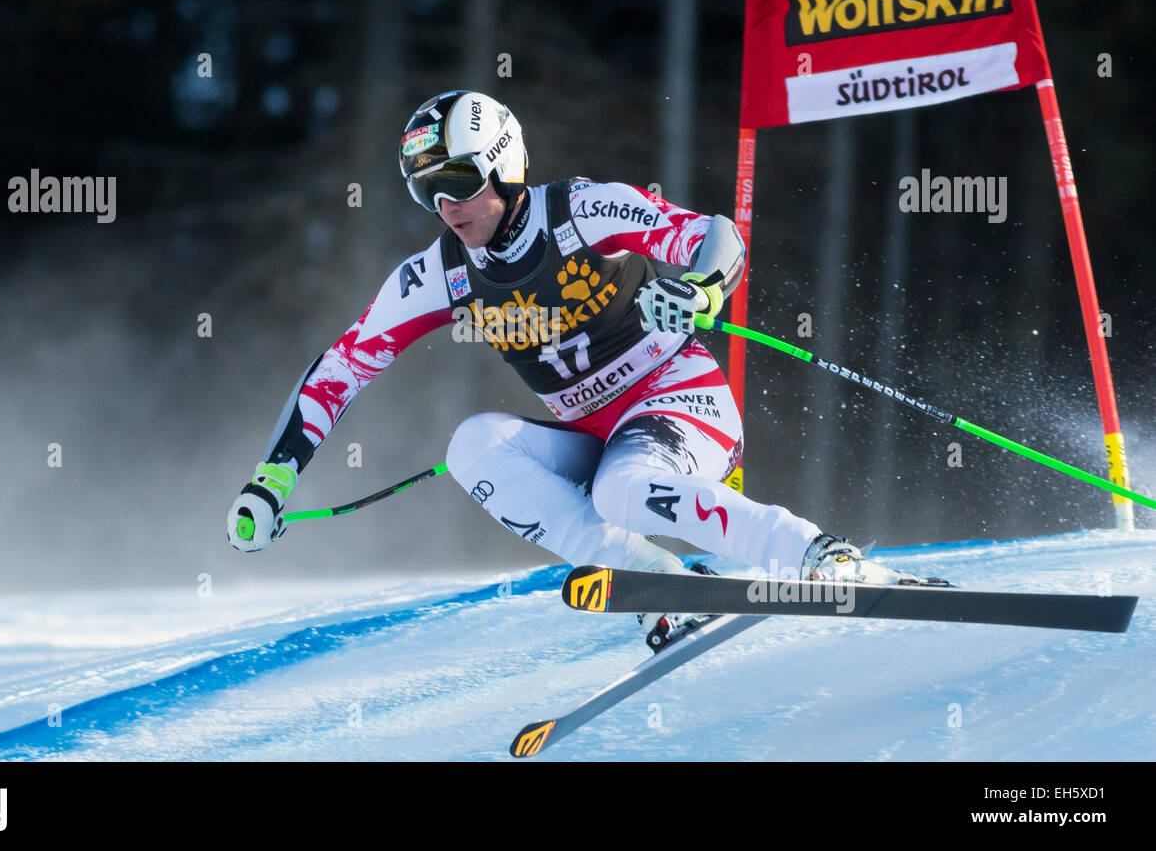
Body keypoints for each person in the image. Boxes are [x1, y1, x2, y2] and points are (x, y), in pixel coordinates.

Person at [227, 90, 925, 651]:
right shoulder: (437, 276)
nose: (447, 208)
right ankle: (658, 582)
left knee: (622, 488)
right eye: (428, 192)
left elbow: (714, 234)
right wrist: (273, 478)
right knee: (473, 448)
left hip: (681, 403)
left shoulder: (583, 213)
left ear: (505, 165)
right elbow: (341, 368)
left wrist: (703, 289)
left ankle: (818, 555)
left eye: (460, 182)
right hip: (597, 439)